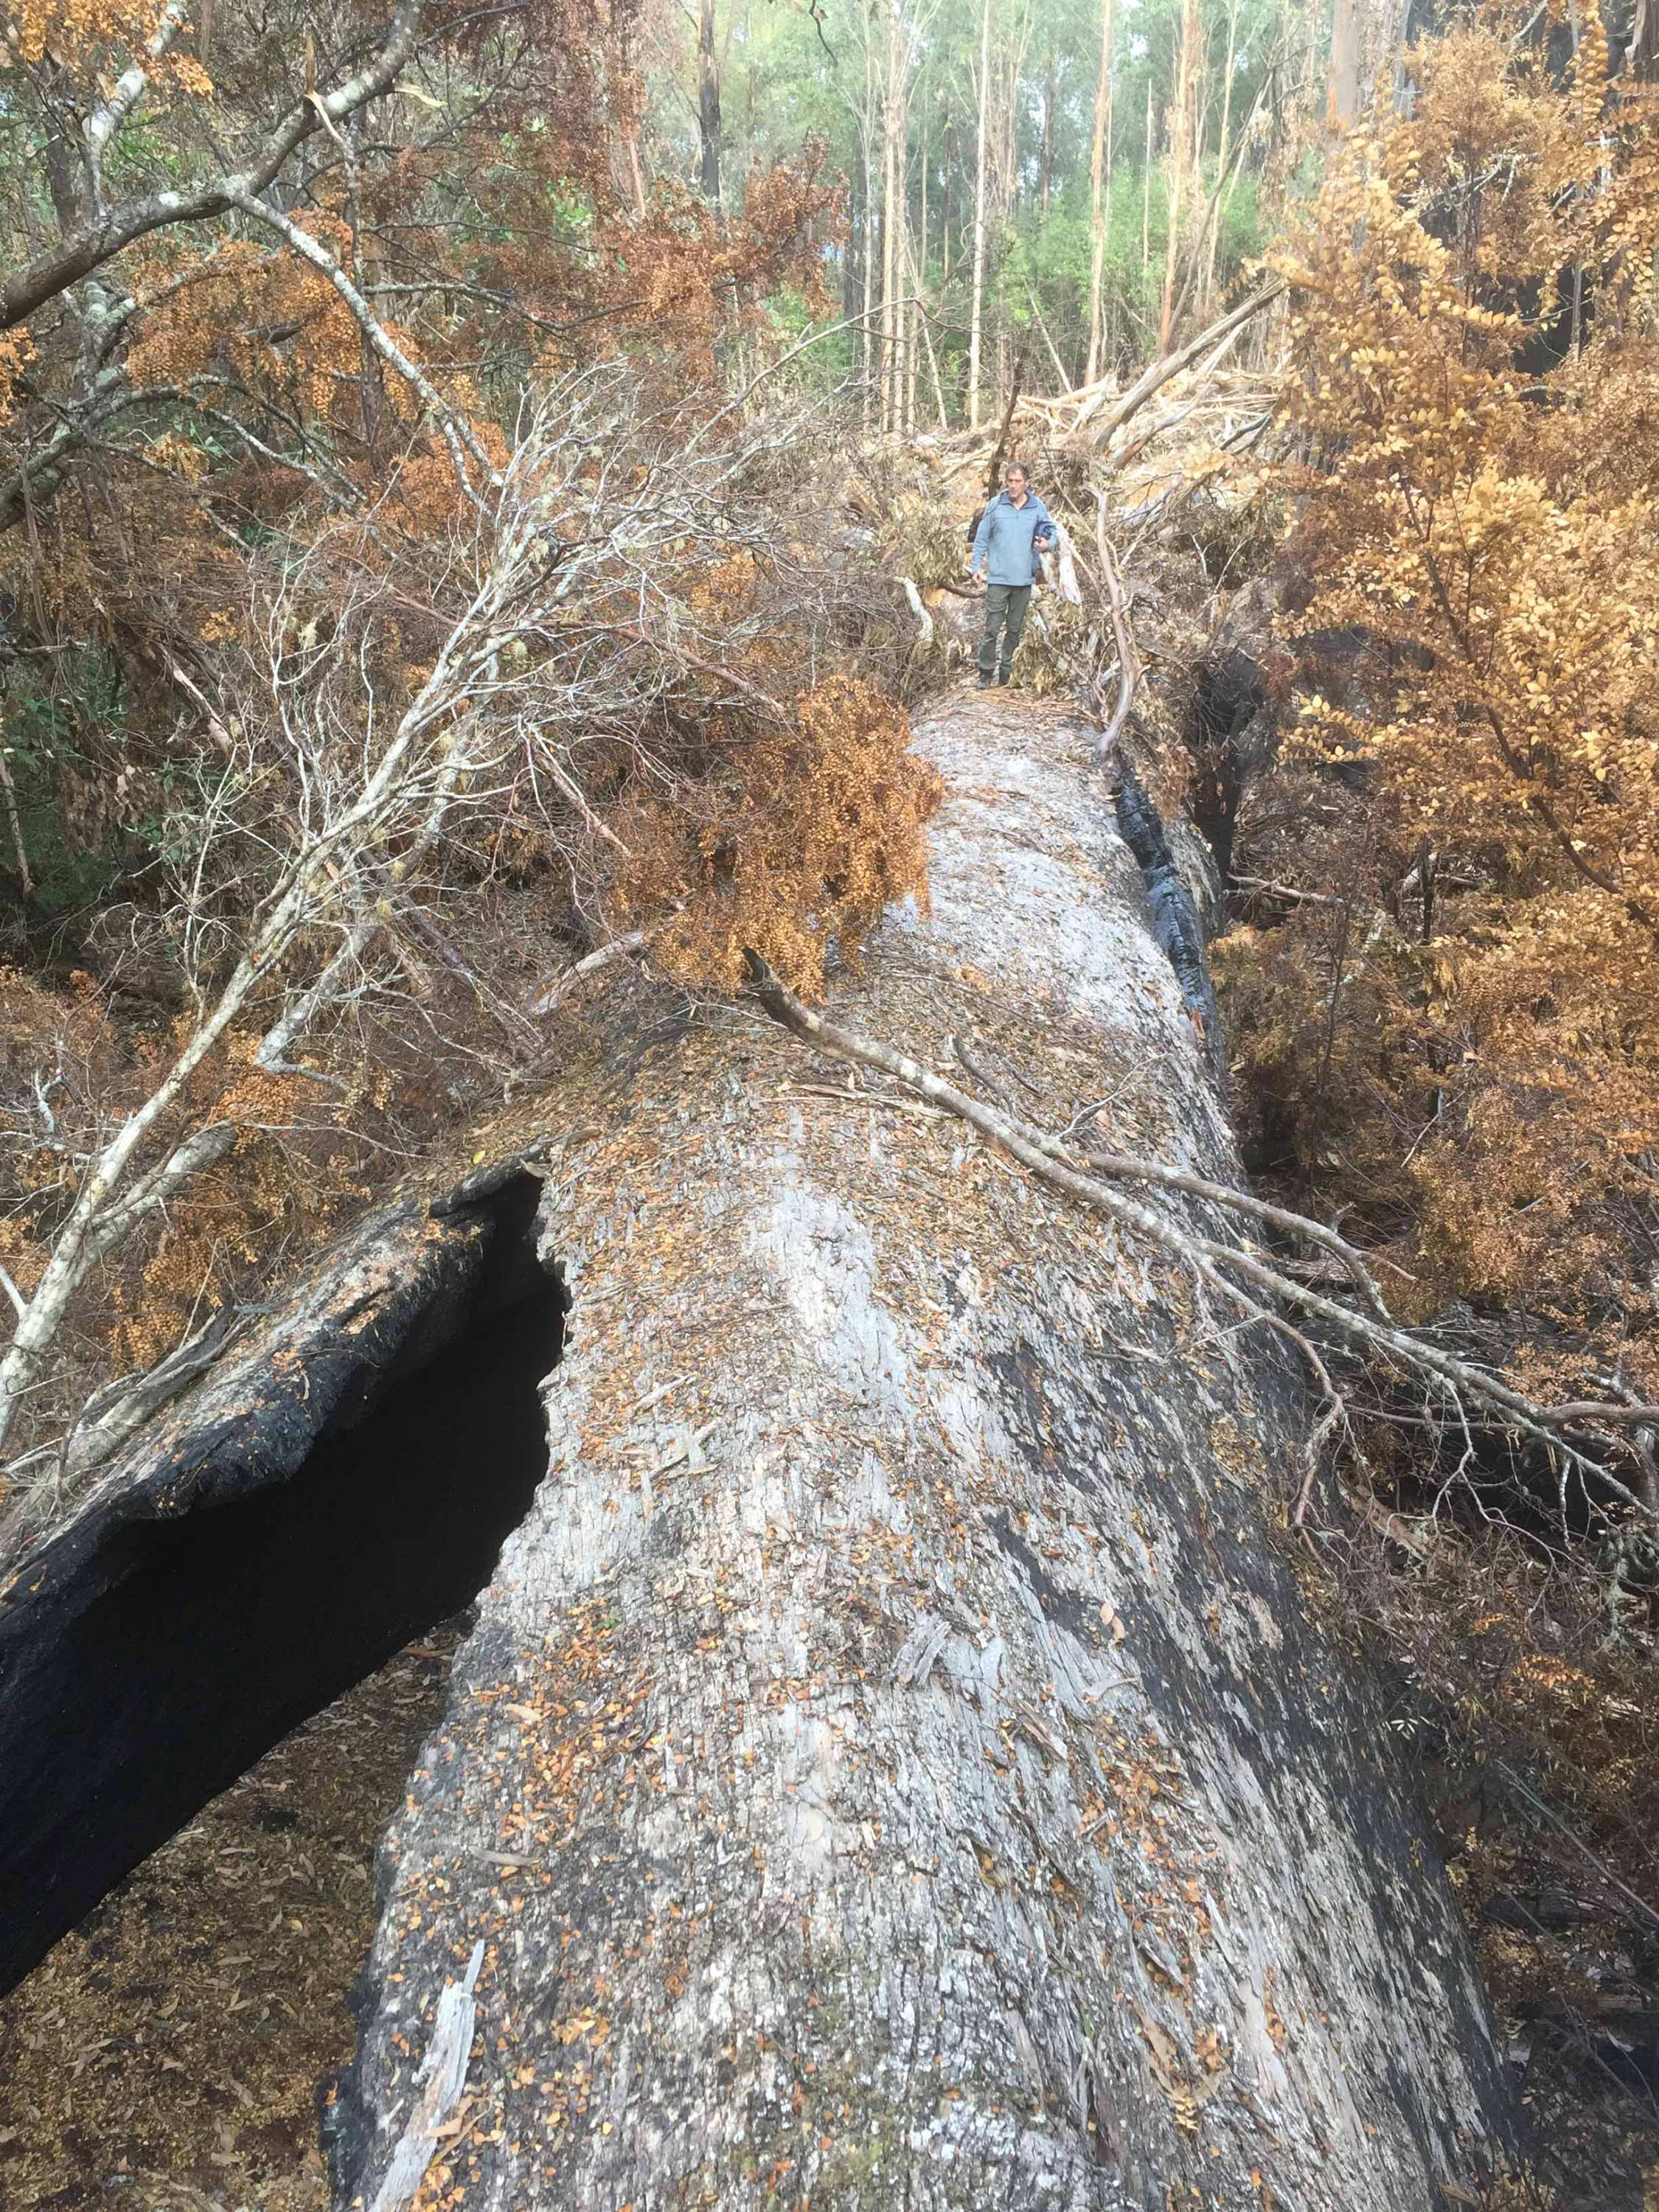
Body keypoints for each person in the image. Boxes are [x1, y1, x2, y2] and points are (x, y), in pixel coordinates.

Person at [965, 462, 1056, 688]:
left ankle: (1007, 673)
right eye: (1010, 481)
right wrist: (976, 567)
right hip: (997, 579)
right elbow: (981, 539)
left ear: (1026, 483)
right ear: (1006, 482)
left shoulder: (1037, 506)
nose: (1013, 486)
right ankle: (985, 673)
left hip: (1024, 579)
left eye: (1018, 481)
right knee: (991, 629)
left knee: (1014, 630)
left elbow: (1051, 533)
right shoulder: (995, 506)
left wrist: (1047, 544)